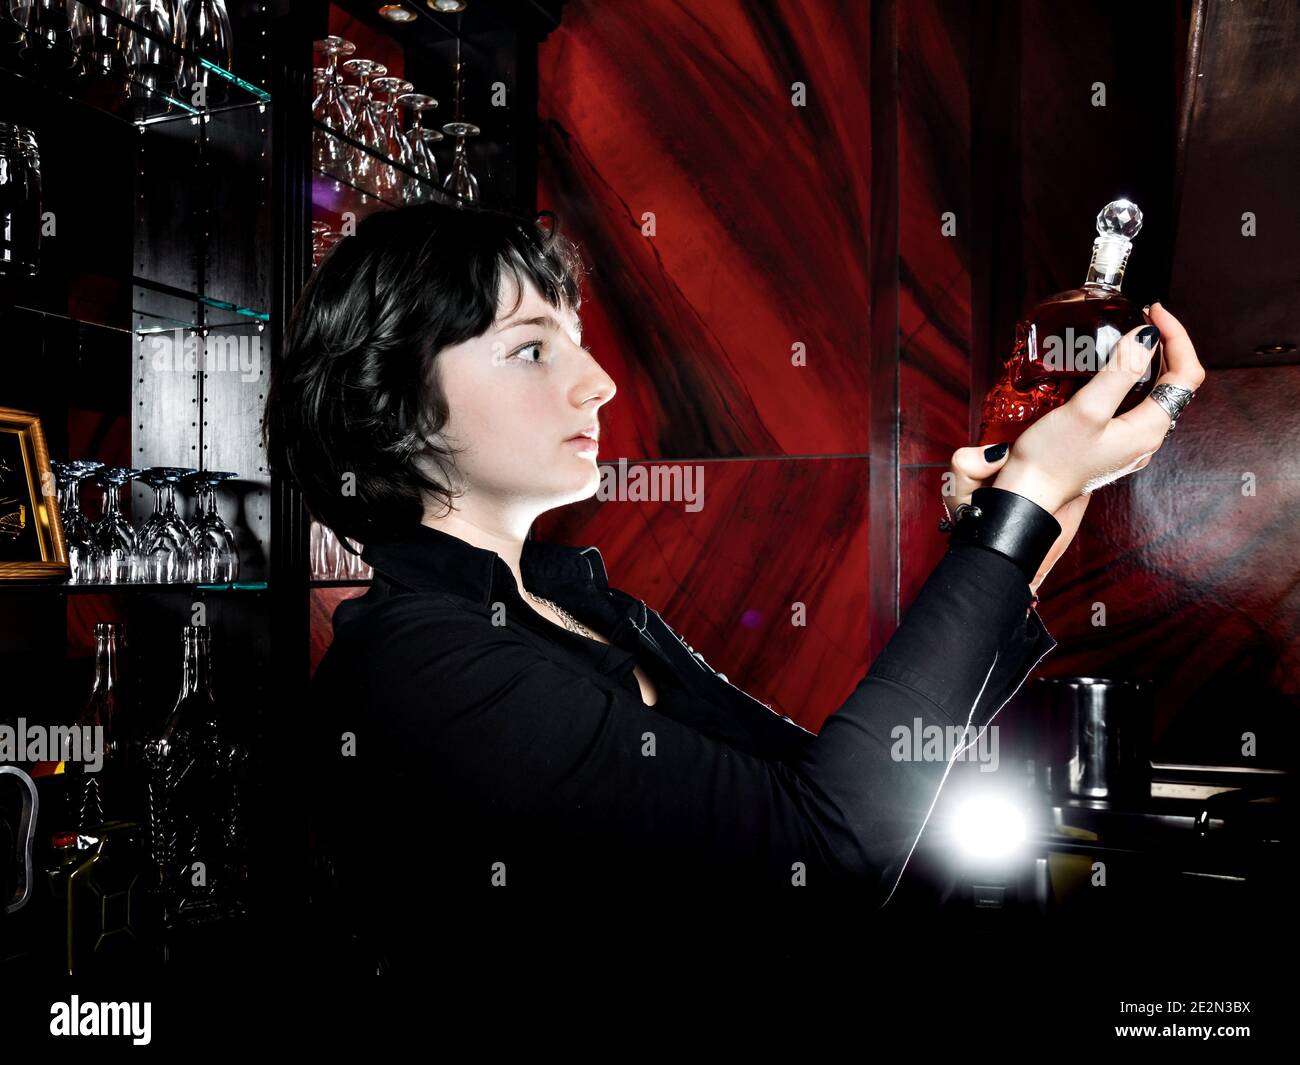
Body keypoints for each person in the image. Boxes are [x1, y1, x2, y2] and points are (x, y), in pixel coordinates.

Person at [262, 201, 1205, 974]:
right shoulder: (423, 669)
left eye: (578, 341)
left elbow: (826, 792)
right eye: (531, 349)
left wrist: (1022, 528)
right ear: (393, 407)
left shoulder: (585, 607)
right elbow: (825, 852)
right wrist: (1022, 507)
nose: (598, 382)